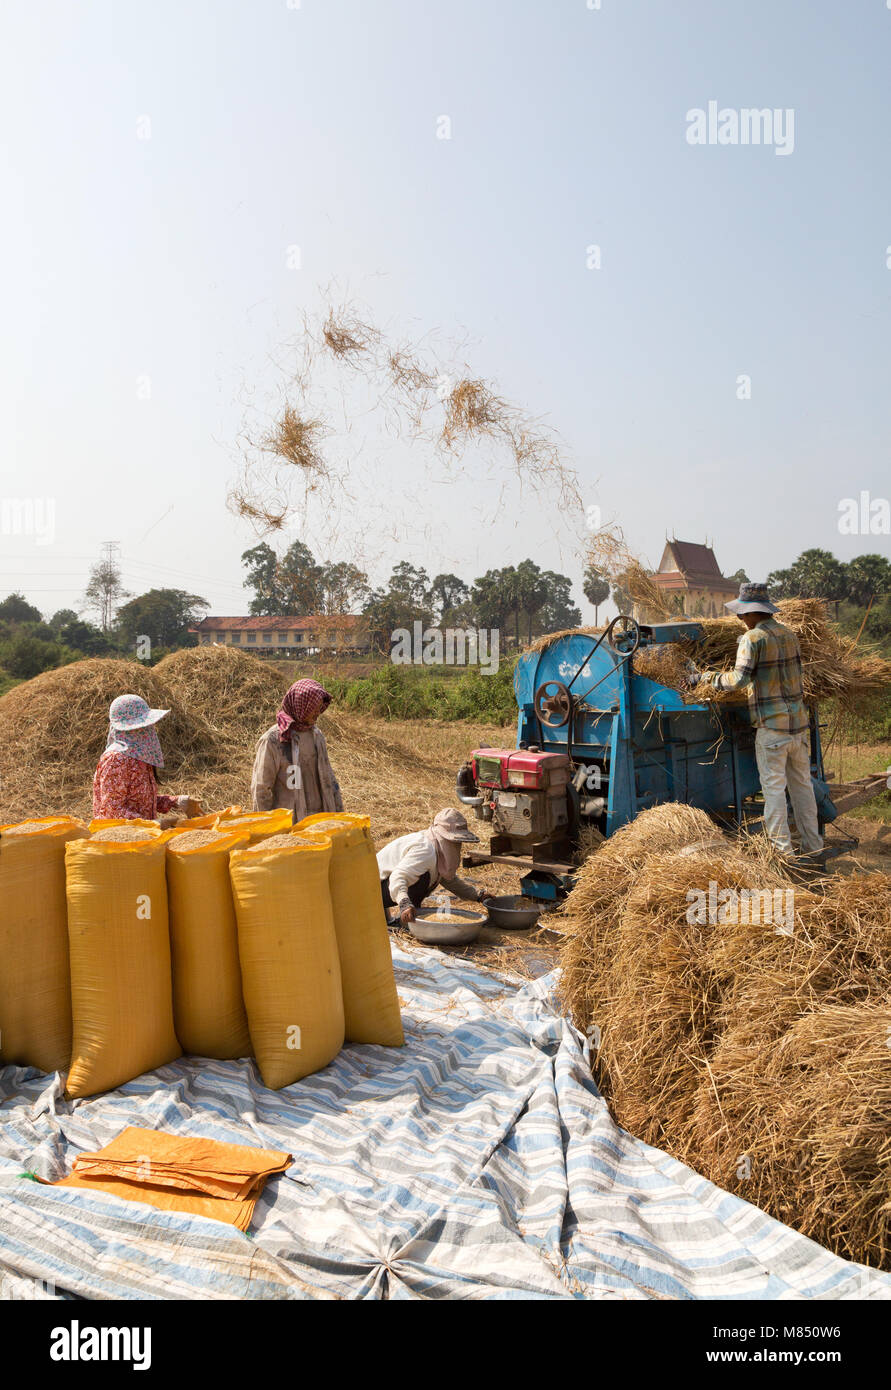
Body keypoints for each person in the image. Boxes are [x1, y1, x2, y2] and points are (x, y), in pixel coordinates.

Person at [689, 581, 823, 859]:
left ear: (753, 612)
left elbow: (739, 679)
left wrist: (705, 678)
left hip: (772, 729)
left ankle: (782, 855)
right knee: (802, 789)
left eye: (742, 613)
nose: (740, 619)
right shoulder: (790, 635)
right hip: (798, 727)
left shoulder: (753, 639)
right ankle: (813, 847)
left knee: (773, 791)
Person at [92, 694, 202, 826]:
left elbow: (140, 800)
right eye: (143, 726)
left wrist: (177, 801)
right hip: (120, 841)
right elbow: (112, 810)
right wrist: (153, 824)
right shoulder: (116, 761)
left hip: (142, 836)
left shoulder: (138, 757)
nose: (148, 731)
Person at [377, 808, 495, 926]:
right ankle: (407, 920)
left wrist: (477, 896)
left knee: (425, 877)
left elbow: (449, 880)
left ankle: (412, 919)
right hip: (371, 891)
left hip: (382, 888)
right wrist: (404, 903)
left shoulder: (436, 847)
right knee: (423, 879)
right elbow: (397, 878)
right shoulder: (425, 850)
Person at [251, 678, 343, 820]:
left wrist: (339, 813)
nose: (318, 712)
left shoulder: (317, 736)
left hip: (319, 819)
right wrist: (266, 827)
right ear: (302, 705)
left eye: (319, 707)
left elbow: (329, 779)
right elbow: (261, 789)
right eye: (313, 707)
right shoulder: (273, 741)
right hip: (289, 825)